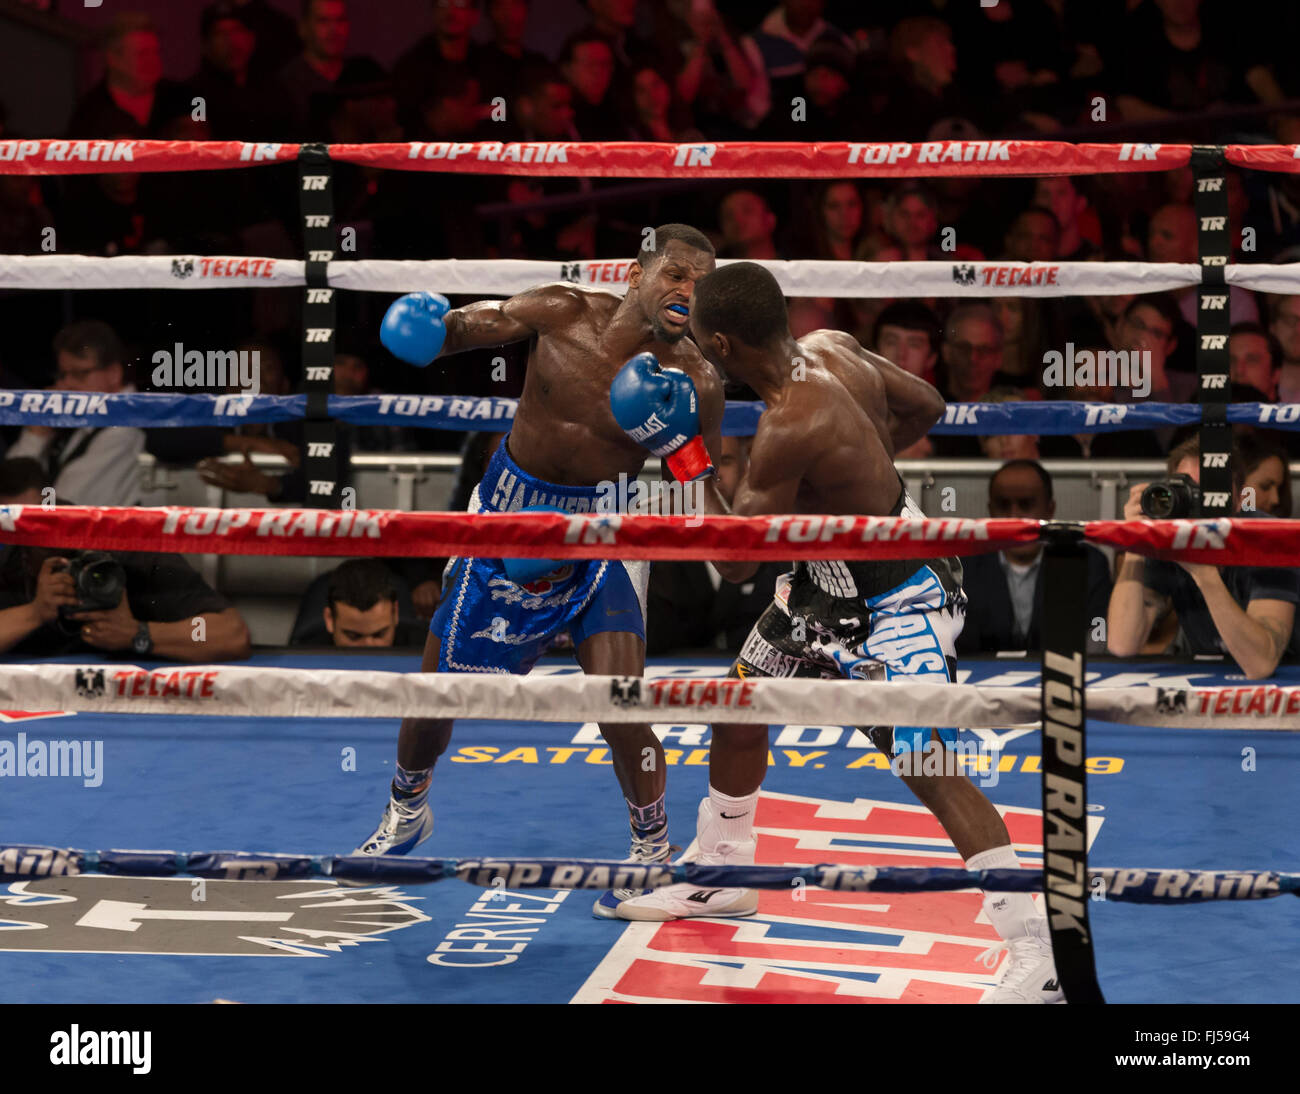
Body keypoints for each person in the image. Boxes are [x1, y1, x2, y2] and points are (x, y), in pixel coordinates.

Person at [607, 261, 1065, 1004]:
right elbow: (928, 404)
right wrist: (863, 477)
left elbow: (732, 557)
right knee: (738, 707)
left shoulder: (791, 420)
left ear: (722, 342)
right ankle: (722, 874)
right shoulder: (836, 345)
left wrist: (682, 450)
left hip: (897, 602)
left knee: (927, 764)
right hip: (826, 584)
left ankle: (1036, 950)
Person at [361, 225, 724, 922]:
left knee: (620, 703)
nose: (687, 293)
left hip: (603, 534)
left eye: (701, 285)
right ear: (638, 271)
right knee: (438, 690)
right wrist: (433, 329)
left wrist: (681, 450)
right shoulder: (562, 310)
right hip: (506, 516)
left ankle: (652, 854)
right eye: (677, 274)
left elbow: (712, 493)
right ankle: (408, 808)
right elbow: (473, 326)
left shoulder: (695, 377)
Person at [0, 459, 251, 662]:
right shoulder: (10, 562)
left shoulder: (131, 552)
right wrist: (34, 613)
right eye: (19, 528)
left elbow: (229, 633)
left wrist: (139, 633)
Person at [1107, 435, 1299, 677]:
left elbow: (1260, 664)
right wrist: (1136, 543)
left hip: (1285, 687)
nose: (1199, 502)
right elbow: (1122, 644)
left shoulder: (1269, 540)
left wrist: (1203, 571)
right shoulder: (1169, 537)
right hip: (1209, 679)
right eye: (1187, 489)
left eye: (1210, 492)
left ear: (1239, 499)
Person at [957, 460, 1112, 656]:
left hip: (1061, 680)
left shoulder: (1087, 563)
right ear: (990, 510)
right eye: (1003, 505)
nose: (1014, 516)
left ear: (1050, 509)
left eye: (1026, 504)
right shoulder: (963, 566)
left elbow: (1096, 644)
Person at [8, 321, 145, 507]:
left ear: (114, 373)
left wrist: (37, 432)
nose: (66, 386)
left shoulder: (123, 428)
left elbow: (58, 506)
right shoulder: (86, 416)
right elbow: (8, 488)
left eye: (79, 374)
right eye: (63, 375)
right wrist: (39, 430)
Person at [290, 559, 425, 648]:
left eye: (379, 634)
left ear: (395, 613)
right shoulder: (306, 660)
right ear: (329, 619)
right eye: (353, 636)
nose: (368, 646)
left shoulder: (424, 653)